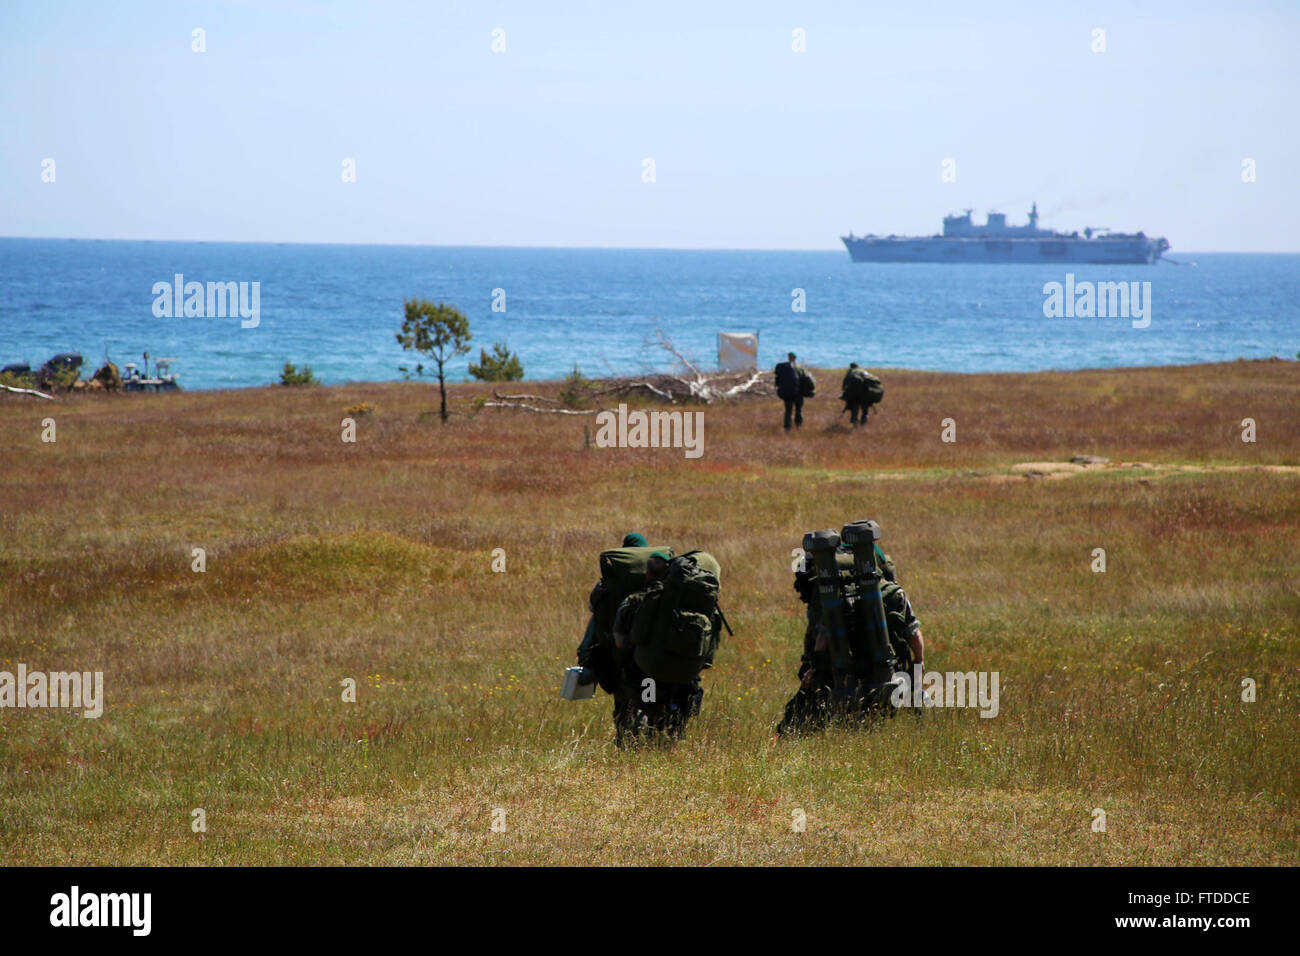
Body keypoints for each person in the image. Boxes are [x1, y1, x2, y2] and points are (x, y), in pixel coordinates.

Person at [777, 544, 925, 735]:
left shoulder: (832, 602)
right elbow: (913, 633)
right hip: (890, 677)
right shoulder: (893, 594)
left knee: (792, 723)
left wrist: (813, 671)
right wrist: (919, 661)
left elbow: (820, 642)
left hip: (841, 681)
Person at [774, 352, 803, 430]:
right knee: (798, 409)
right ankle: (798, 425)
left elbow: (777, 380)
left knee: (788, 411)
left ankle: (787, 428)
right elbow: (804, 379)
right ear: (794, 358)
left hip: (786, 392)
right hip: (797, 392)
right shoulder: (798, 367)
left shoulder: (782, 367)